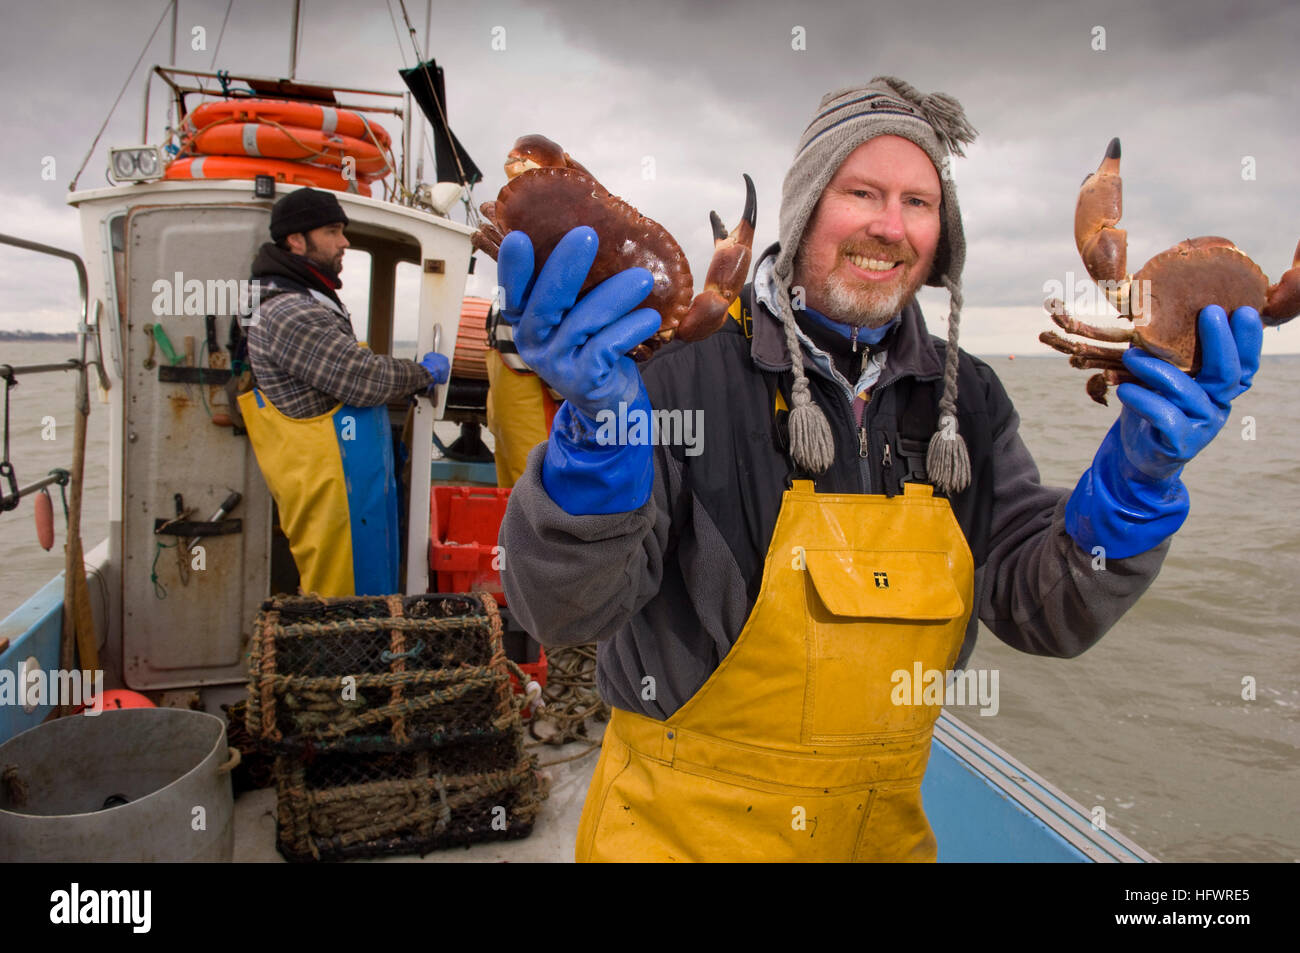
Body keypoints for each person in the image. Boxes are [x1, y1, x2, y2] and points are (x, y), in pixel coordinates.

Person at [496, 77, 1263, 862]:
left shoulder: (970, 400)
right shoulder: (675, 375)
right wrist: (595, 441)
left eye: (919, 203)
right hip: (673, 835)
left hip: (880, 839)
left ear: (942, 234)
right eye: (861, 191)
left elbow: (1046, 609)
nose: (889, 226)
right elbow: (559, 611)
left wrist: (1139, 483)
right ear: (802, 215)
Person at [238, 187, 450, 597]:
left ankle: (374, 655)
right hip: (332, 492)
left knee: (369, 596)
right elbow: (360, 379)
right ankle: (351, 662)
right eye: (333, 232)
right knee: (344, 604)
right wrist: (422, 372)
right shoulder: (287, 310)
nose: (344, 242)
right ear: (296, 240)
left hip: (348, 486)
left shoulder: (307, 297)